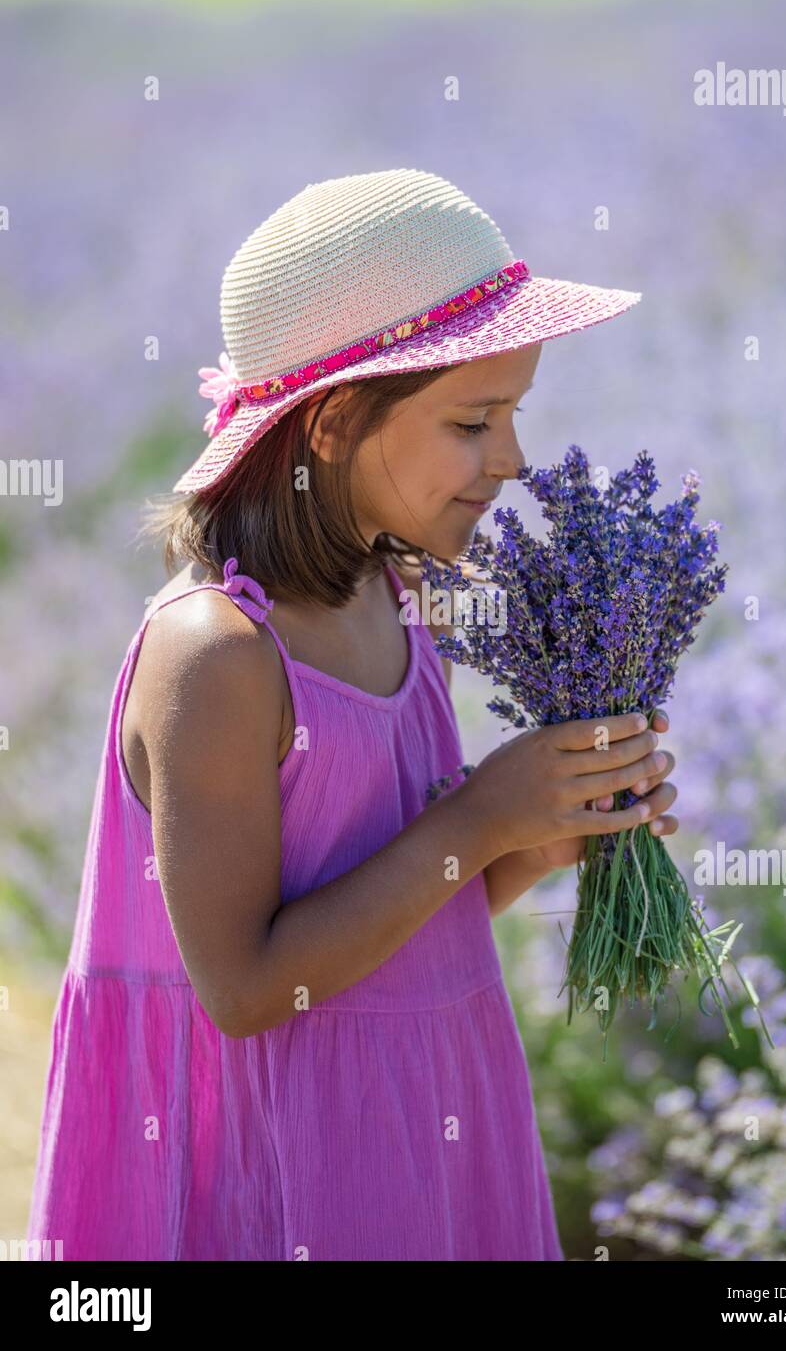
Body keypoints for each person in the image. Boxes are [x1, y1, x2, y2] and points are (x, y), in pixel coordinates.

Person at [26, 169, 678, 1261]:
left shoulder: (398, 594)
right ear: (330, 424)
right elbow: (244, 987)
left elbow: (405, 895)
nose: (513, 460)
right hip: (283, 1155)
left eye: (514, 414)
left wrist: (541, 832)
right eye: (474, 420)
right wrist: (478, 819)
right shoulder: (220, 657)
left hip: (431, 1104)